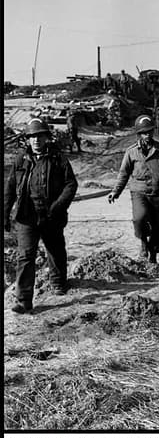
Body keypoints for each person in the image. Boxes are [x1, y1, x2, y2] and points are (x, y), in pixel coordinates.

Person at [4, 117, 78, 313]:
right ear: (27, 139)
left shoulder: (58, 158)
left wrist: (58, 207)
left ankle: (58, 282)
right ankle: (24, 300)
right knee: (25, 256)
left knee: (55, 249)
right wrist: (5, 214)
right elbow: (10, 187)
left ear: (46, 137)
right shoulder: (21, 159)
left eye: (40, 136)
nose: (36, 140)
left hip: (51, 215)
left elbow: (71, 184)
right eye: (32, 136)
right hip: (26, 216)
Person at [108, 115, 159, 263]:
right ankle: (143, 242)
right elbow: (124, 173)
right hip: (139, 191)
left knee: (156, 224)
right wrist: (116, 191)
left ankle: (153, 256)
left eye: (150, 132)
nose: (147, 135)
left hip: (157, 191)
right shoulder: (131, 151)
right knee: (139, 218)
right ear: (139, 134)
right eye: (144, 133)